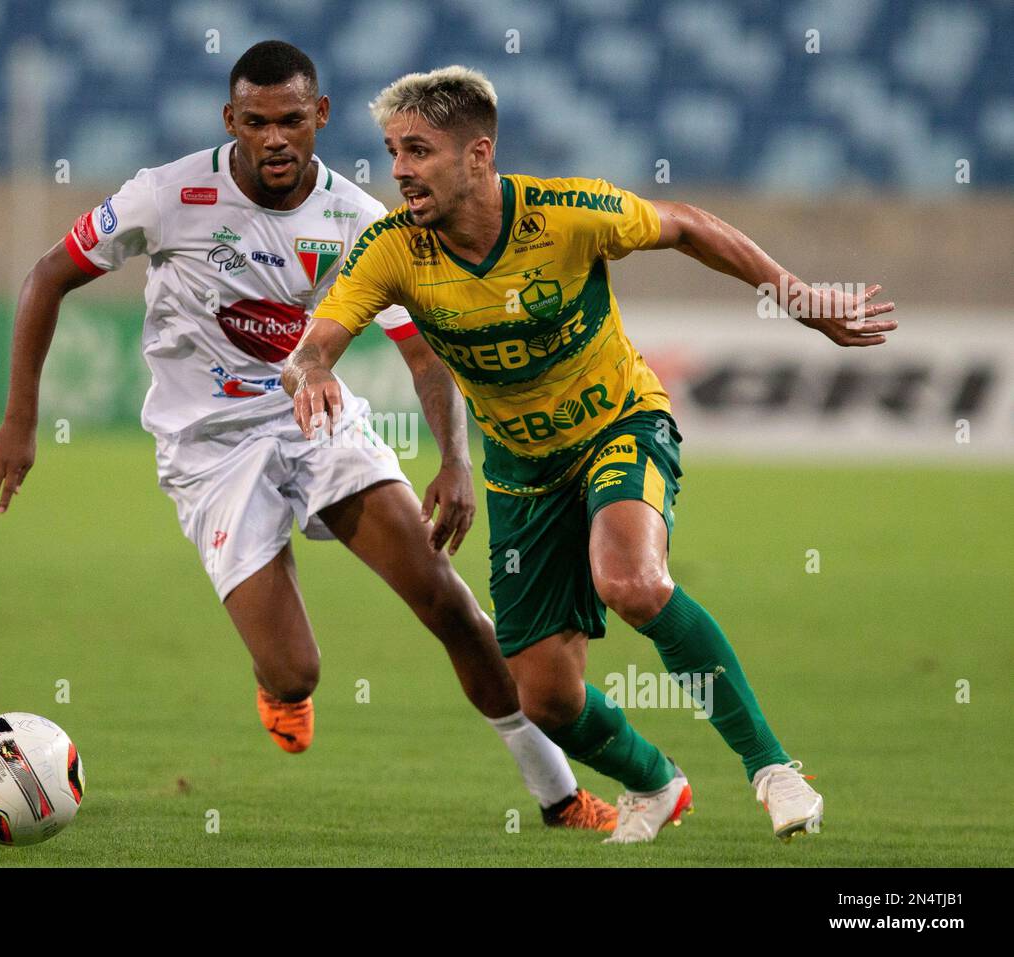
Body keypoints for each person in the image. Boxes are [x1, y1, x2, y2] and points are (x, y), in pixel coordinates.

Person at [0, 42, 617, 832]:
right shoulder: (167, 195)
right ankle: (279, 685)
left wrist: (454, 458)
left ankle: (558, 794)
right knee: (296, 669)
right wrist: (21, 423)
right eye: (258, 123)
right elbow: (46, 277)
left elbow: (423, 353)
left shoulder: (358, 218)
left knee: (445, 598)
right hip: (209, 450)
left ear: (322, 117)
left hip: (318, 424)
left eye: (293, 121)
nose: (276, 139)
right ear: (230, 121)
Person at [285, 65, 897, 843]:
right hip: (521, 470)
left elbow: (688, 225)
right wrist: (310, 370)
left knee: (632, 581)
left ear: (479, 154)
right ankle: (654, 780)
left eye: (419, 150)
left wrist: (800, 297)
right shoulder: (392, 250)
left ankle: (773, 767)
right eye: (392, 150)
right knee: (542, 695)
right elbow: (321, 339)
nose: (400, 169)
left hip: (619, 424)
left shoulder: (566, 214)